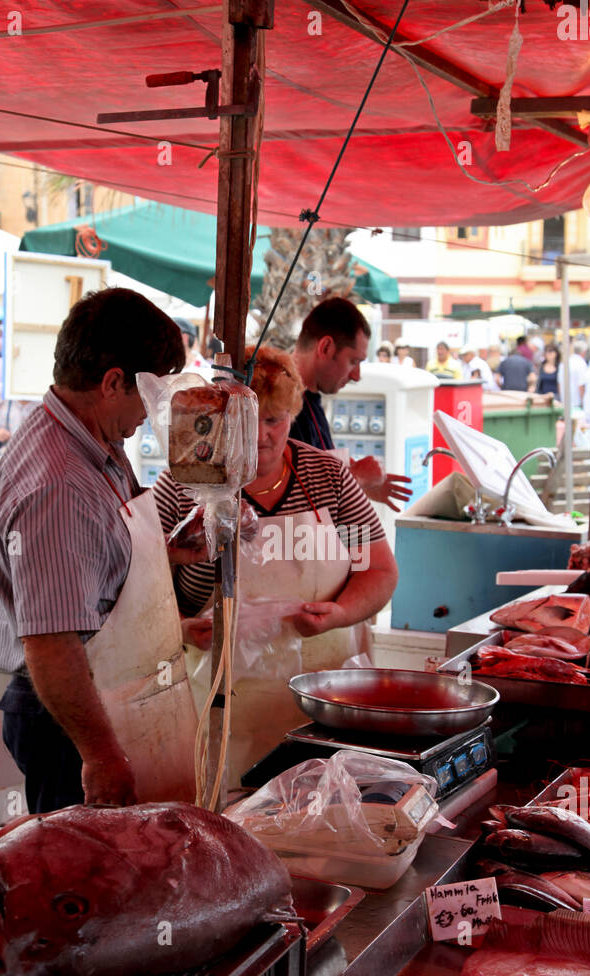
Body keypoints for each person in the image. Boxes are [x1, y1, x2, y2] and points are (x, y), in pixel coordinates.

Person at [0, 288, 206, 812]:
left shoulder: (93, 440)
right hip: (71, 721)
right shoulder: (58, 487)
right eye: (149, 396)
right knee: (90, 879)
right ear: (111, 384)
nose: (152, 414)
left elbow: (94, 562)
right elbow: (52, 643)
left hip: (106, 694)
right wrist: (101, 755)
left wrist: (162, 554)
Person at [153, 345, 399, 787]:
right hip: (220, 709)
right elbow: (140, 588)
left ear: (293, 415)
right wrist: (182, 628)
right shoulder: (182, 484)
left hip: (327, 705)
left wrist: (340, 615)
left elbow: (378, 569)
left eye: (274, 420)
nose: (262, 436)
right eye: (247, 422)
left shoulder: (330, 477)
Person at [289, 296, 412, 510]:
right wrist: (355, 478)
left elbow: (314, 480)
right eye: (353, 361)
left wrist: (358, 487)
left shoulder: (310, 399)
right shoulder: (278, 406)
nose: (356, 375)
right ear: (326, 347)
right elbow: (283, 496)